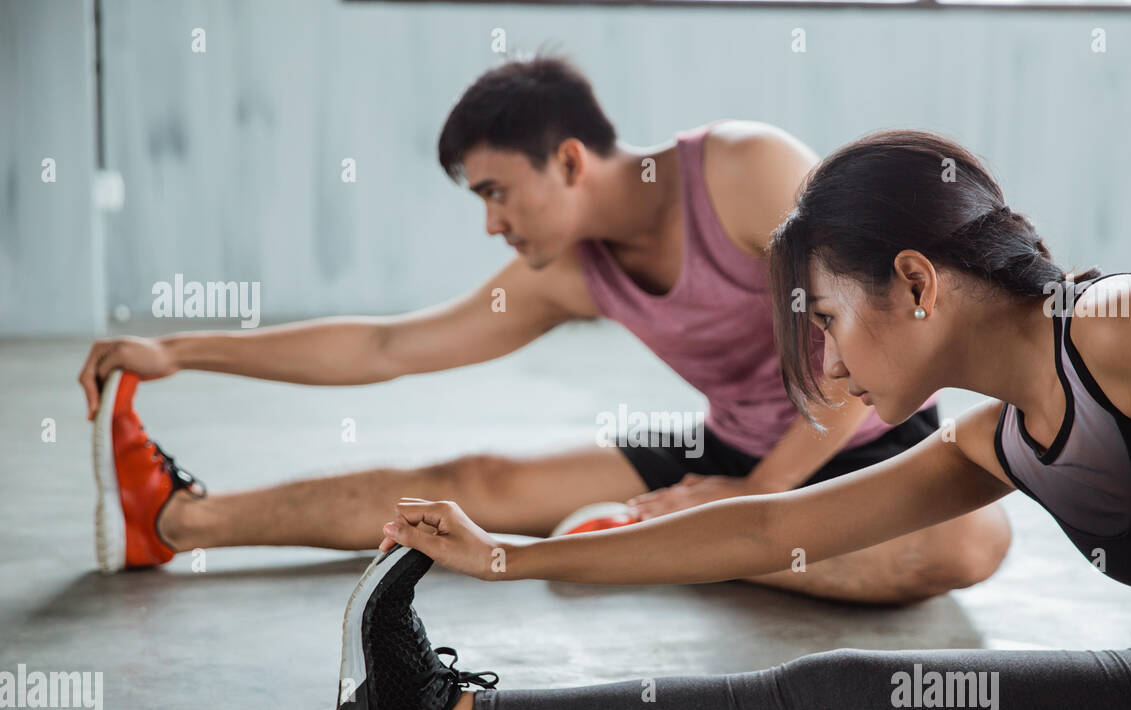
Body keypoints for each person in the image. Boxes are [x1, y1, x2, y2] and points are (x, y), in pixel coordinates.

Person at [358, 130, 1131, 710]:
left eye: (831, 321)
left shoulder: (1130, 332)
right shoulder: (1002, 435)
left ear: (917, 282)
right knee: (832, 697)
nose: (829, 365)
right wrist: (508, 557)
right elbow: (774, 529)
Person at [79, 54, 1009, 604]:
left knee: (974, 544)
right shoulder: (570, 270)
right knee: (477, 483)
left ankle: (652, 544)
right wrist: (181, 349)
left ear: (567, 160)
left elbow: (863, 339)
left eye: (495, 191)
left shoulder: (746, 170)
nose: (490, 222)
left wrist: (737, 503)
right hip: (727, 452)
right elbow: (388, 347)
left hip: (870, 434)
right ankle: (177, 520)